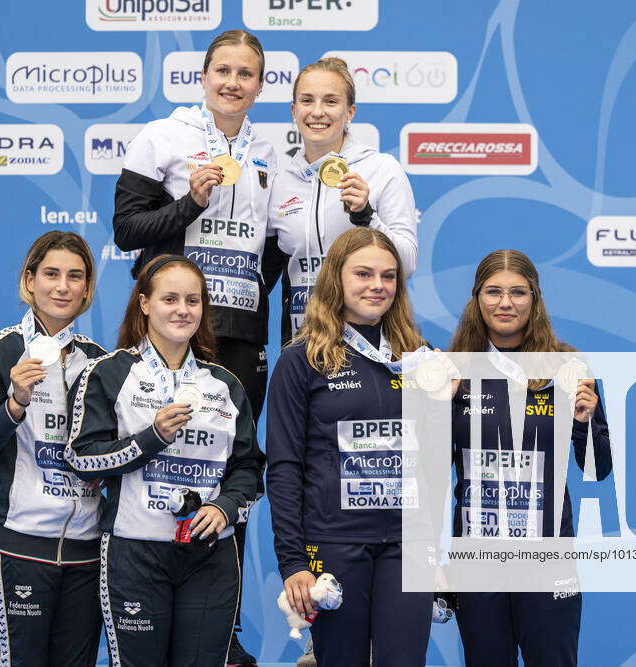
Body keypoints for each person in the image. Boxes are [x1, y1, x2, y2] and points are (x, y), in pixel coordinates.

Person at [112, 33, 276, 662]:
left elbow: (275, 244)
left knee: (228, 470)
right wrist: (191, 202)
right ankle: (144, 602)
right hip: (168, 326)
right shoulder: (162, 137)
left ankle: (222, 631)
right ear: (204, 76)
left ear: (261, 86)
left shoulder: (273, 149)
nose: (233, 82)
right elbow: (128, 229)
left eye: (247, 74)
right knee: (153, 453)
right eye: (223, 71)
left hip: (238, 334)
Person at [65, 255, 264, 667]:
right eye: (169, 298)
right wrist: (150, 438)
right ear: (144, 304)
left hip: (211, 556)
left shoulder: (225, 384)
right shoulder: (109, 373)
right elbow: (81, 458)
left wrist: (224, 507)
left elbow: (248, 468)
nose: (182, 309)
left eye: (193, 300)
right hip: (134, 553)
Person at [266, 228, 434, 667]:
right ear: (335, 279)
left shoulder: (420, 358)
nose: (377, 286)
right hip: (334, 544)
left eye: (389, 276)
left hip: (407, 546)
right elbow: (283, 467)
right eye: (363, 273)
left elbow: (438, 459)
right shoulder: (301, 360)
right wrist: (293, 563)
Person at [448, 249, 612, 667]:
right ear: (476, 299)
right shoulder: (452, 371)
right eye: (494, 292)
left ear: (535, 299)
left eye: (518, 292)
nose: (506, 303)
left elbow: (597, 467)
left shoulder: (567, 366)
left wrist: (583, 421)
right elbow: (430, 474)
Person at [0, 231, 107, 667]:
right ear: (30, 280)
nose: (63, 286)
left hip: (87, 547)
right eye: (52, 274)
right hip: (20, 545)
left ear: (87, 288)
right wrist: (15, 402)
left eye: (75, 276)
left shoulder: (100, 361)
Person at [267, 56, 418, 344]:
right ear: (293, 110)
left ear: (350, 112)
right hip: (304, 340)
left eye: (331, 101)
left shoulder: (382, 169)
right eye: (307, 101)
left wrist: (366, 215)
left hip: (372, 338)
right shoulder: (281, 182)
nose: (318, 112)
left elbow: (407, 262)